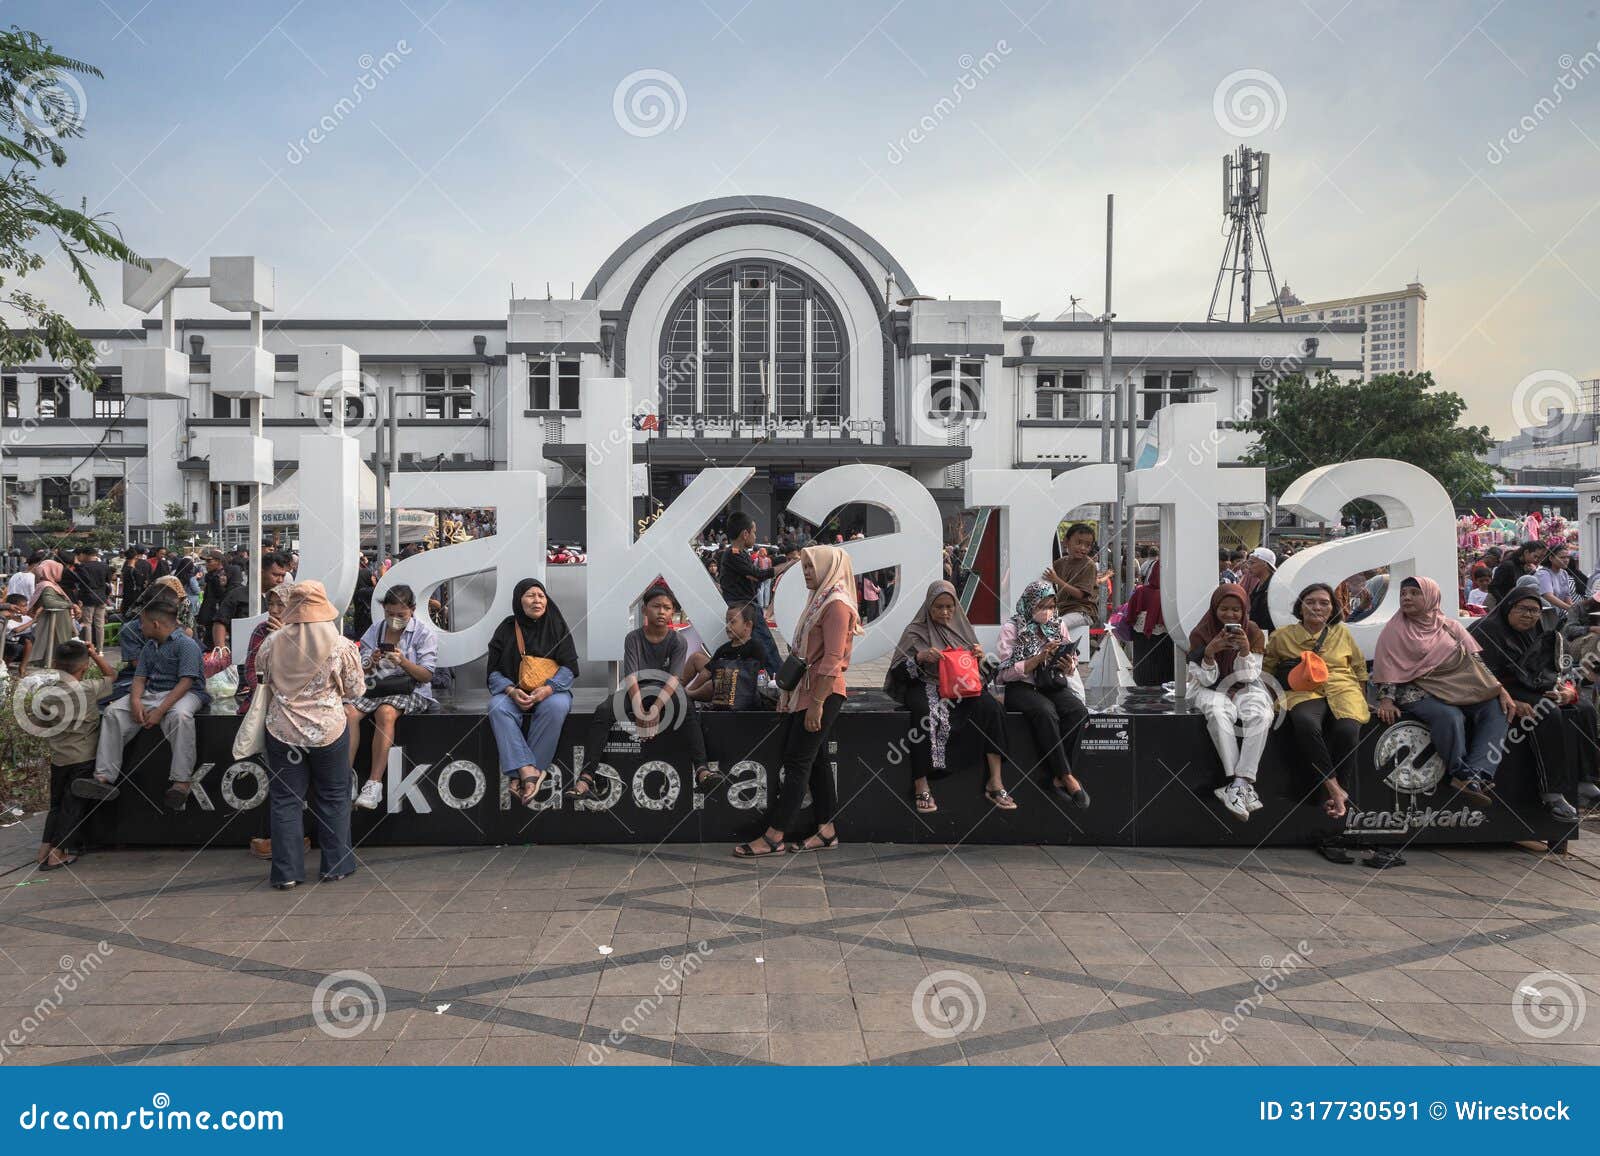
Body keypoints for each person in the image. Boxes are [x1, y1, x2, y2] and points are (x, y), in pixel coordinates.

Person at [734, 544, 861, 857]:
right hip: (808, 691)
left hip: (822, 692)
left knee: (797, 763)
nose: (805, 573)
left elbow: (832, 659)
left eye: (810, 567)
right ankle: (827, 831)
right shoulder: (821, 598)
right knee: (813, 761)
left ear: (827, 568)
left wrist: (817, 703)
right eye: (803, 567)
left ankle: (774, 836)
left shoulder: (836, 604)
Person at [254, 581, 365, 889]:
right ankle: (336, 866)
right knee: (333, 796)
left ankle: (286, 873)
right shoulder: (341, 645)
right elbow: (356, 690)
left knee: (285, 802)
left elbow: (261, 677)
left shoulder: (272, 642)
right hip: (329, 730)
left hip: (282, 730)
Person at [1371, 577, 1512, 811]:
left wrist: (1500, 690)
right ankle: (1460, 773)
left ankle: (1476, 774)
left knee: (1497, 709)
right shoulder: (1394, 629)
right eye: (1403, 593)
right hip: (1416, 689)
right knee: (1449, 716)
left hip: (1457, 687)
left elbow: (1475, 662)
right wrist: (1386, 699)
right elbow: (1387, 666)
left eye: (1415, 593)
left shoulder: (1450, 626)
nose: (1406, 597)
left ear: (1431, 597)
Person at [571, 584, 716, 797]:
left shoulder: (678, 641)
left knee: (686, 705)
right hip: (636, 690)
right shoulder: (633, 638)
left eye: (667, 607)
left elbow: (674, 680)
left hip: (665, 691)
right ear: (644, 610)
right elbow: (631, 677)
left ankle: (702, 770)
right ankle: (587, 777)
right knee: (603, 710)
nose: (662, 611)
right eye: (656, 606)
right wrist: (640, 709)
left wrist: (655, 709)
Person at [886, 579, 1015, 814]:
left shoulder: (963, 628)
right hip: (925, 684)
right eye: (938, 607)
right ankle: (920, 782)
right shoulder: (915, 631)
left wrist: (980, 658)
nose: (945, 612)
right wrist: (920, 658)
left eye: (949, 606)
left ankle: (995, 781)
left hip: (960, 688)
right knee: (924, 713)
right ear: (928, 607)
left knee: (992, 709)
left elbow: (980, 675)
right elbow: (897, 673)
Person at [75, 596, 208, 811]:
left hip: (187, 693)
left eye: (143, 622)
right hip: (152, 692)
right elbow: (139, 678)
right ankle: (103, 778)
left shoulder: (186, 645)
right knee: (113, 713)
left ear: (155, 624)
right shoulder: (149, 646)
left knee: (180, 716)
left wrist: (160, 710)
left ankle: (181, 782)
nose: (140, 626)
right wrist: (135, 700)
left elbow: (186, 681)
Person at [1470, 587, 1593, 819]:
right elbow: (1474, 676)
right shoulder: (1485, 631)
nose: (1529, 615)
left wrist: (1566, 692)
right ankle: (1552, 793)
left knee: (1584, 707)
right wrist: (1511, 699)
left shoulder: (1539, 630)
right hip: (1496, 690)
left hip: (1532, 686)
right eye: (1522, 609)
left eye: (1535, 610)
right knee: (1547, 713)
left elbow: (1557, 669)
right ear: (1508, 608)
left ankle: (1585, 780)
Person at [1263, 583, 1365, 830]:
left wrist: (1360, 698)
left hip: (1342, 690)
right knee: (1306, 723)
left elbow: (1359, 669)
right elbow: (1266, 671)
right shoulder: (1283, 636)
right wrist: (1269, 699)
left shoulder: (1343, 633)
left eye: (1324, 602)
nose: (1317, 607)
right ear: (1301, 606)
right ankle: (1335, 789)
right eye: (1311, 601)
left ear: (1332, 608)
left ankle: (1338, 792)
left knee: (1348, 731)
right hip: (1302, 692)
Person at [996, 580, 1091, 808]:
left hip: (1051, 683)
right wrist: (1037, 659)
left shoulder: (1058, 625)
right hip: (1021, 686)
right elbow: (1004, 673)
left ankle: (1055, 777)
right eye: (1041, 605)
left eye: (1050, 605)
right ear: (1030, 604)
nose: (1046, 611)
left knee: (1077, 711)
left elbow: (1072, 658)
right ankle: (1067, 777)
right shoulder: (1013, 628)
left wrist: (1069, 664)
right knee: (1045, 712)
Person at [24, 639, 115, 870]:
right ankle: (57, 854)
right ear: (84, 667)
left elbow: (37, 721)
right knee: (71, 807)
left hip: (59, 759)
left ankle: (44, 850)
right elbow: (112, 675)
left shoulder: (46, 695)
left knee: (56, 805)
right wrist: (95, 654)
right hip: (83, 759)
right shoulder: (89, 688)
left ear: (55, 665)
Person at [346, 585, 439, 810]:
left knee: (385, 712)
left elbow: (426, 675)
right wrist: (373, 660)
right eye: (390, 614)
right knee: (347, 712)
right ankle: (344, 778)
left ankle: (374, 783)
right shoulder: (375, 630)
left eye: (401, 615)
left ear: (413, 610)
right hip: (377, 687)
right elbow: (361, 669)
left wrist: (403, 662)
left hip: (411, 690)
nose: (395, 619)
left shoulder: (424, 633)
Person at [486, 578, 578, 805]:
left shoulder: (556, 625)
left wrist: (549, 689)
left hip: (551, 690)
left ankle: (523, 773)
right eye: (530, 595)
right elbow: (493, 673)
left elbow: (570, 667)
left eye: (541, 595)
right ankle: (530, 771)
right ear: (519, 600)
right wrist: (510, 690)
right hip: (515, 692)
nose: (537, 600)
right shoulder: (506, 628)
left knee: (556, 707)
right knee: (496, 706)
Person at [1186, 584, 1273, 821]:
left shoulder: (1253, 631)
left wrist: (1245, 652)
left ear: (1244, 611)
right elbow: (1203, 678)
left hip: (1243, 685)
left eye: (1236, 610)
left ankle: (1238, 783)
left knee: (1261, 714)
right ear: (1214, 608)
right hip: (1207, 686)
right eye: (1224, 609)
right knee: (1218, 711)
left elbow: (1249, 677)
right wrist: (1209, 653)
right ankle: (1240, 785)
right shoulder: (1200, 633)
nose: (1230, 615)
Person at [717, 510, 790, 672]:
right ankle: (781, 681)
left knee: (761, 648)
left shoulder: (739, 553)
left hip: (746, 606)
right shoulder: (733, 554)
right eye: (754, 532)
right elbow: (756, 575)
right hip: (745, 607)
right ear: (745, 534)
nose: (755, 536)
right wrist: (784, 567)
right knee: (767, 647)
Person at [1046, 522, 1104, 682]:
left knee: (1055, 625)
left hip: (1083, 611)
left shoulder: (1089, 565)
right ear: (1066, 541)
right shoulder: (1061, 563)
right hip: (1065, 611)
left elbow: (1080, 595)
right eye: (1079, 542)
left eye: (1087, 545)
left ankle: (1067, 656)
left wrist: (1056, 579)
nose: (1083, 548)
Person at [685, 602, 770, 707]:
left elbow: (756, 675)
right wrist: (693, 686)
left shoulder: (755, 647)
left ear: (748, 625)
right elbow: (707, 671)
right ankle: (680, 691)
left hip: (739, 688)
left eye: (732, 622)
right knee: (696, 658)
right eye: (727, 622)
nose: (728, 626)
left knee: (716, 683)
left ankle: (689, 695)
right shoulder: (724, 648)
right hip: (719, 679)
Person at [23, 559, 76, 675]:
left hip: (57, 619)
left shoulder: (50, 584)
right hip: (54, 620)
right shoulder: (47, 586)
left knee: (55, 643)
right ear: (52, 571)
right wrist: (70, 605)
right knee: (55, 643)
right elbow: (49, 603)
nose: (60, 573)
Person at [65, 546, 110, 650]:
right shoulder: (104, 566)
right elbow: (108, 581)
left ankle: (89, 648)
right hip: (101, 597)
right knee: (100, 624)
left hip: (87, 597)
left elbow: (78, 581)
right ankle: (100, 650)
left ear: (85, 555)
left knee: (87, 623)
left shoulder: (82, 567)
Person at [1488, 541, 1546, 605]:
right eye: (1535, 556)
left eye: (1539, 558)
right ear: (1526, 552)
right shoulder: (1508, 565)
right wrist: (1503, 603)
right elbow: (1493, 587)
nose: (1536, 560)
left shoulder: (1525, 567)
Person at [1242, 547, 1276, 631]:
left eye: (1252, 563)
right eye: (1248, 563)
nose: (1248, 567)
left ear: (1264, 563)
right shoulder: (1259, 584)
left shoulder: (1274, 586)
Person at [1536, 543, 1577, 612]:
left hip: (1559, 613)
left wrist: (1575, 608)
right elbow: (1548, 596)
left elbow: (1567, 596)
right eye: (1562, 557)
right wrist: (1569, 608)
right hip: (1546, 615)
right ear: (1551, 558)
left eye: (1567, 557)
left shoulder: (1564, 573)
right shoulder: (1543, 574)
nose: (1566, 560)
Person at [2, 593, 34, 670]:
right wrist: (34, 620)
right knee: (15, 647)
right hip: (8, 650)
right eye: (23, 606)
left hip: (21, 652)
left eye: (26, 605)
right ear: (14, 607)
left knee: (29, 638)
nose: (26, 608)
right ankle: (5, 666)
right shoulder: (7, 620)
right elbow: (16, 630)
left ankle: (22, 667)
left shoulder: (27, 619)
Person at [118, 546, 151, 618]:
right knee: (136, 615)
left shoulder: (126, 565)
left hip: (127, 593)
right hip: (138, 594)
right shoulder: (147, 564)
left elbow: (122, 578)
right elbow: (147, 580)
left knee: (126, 614)